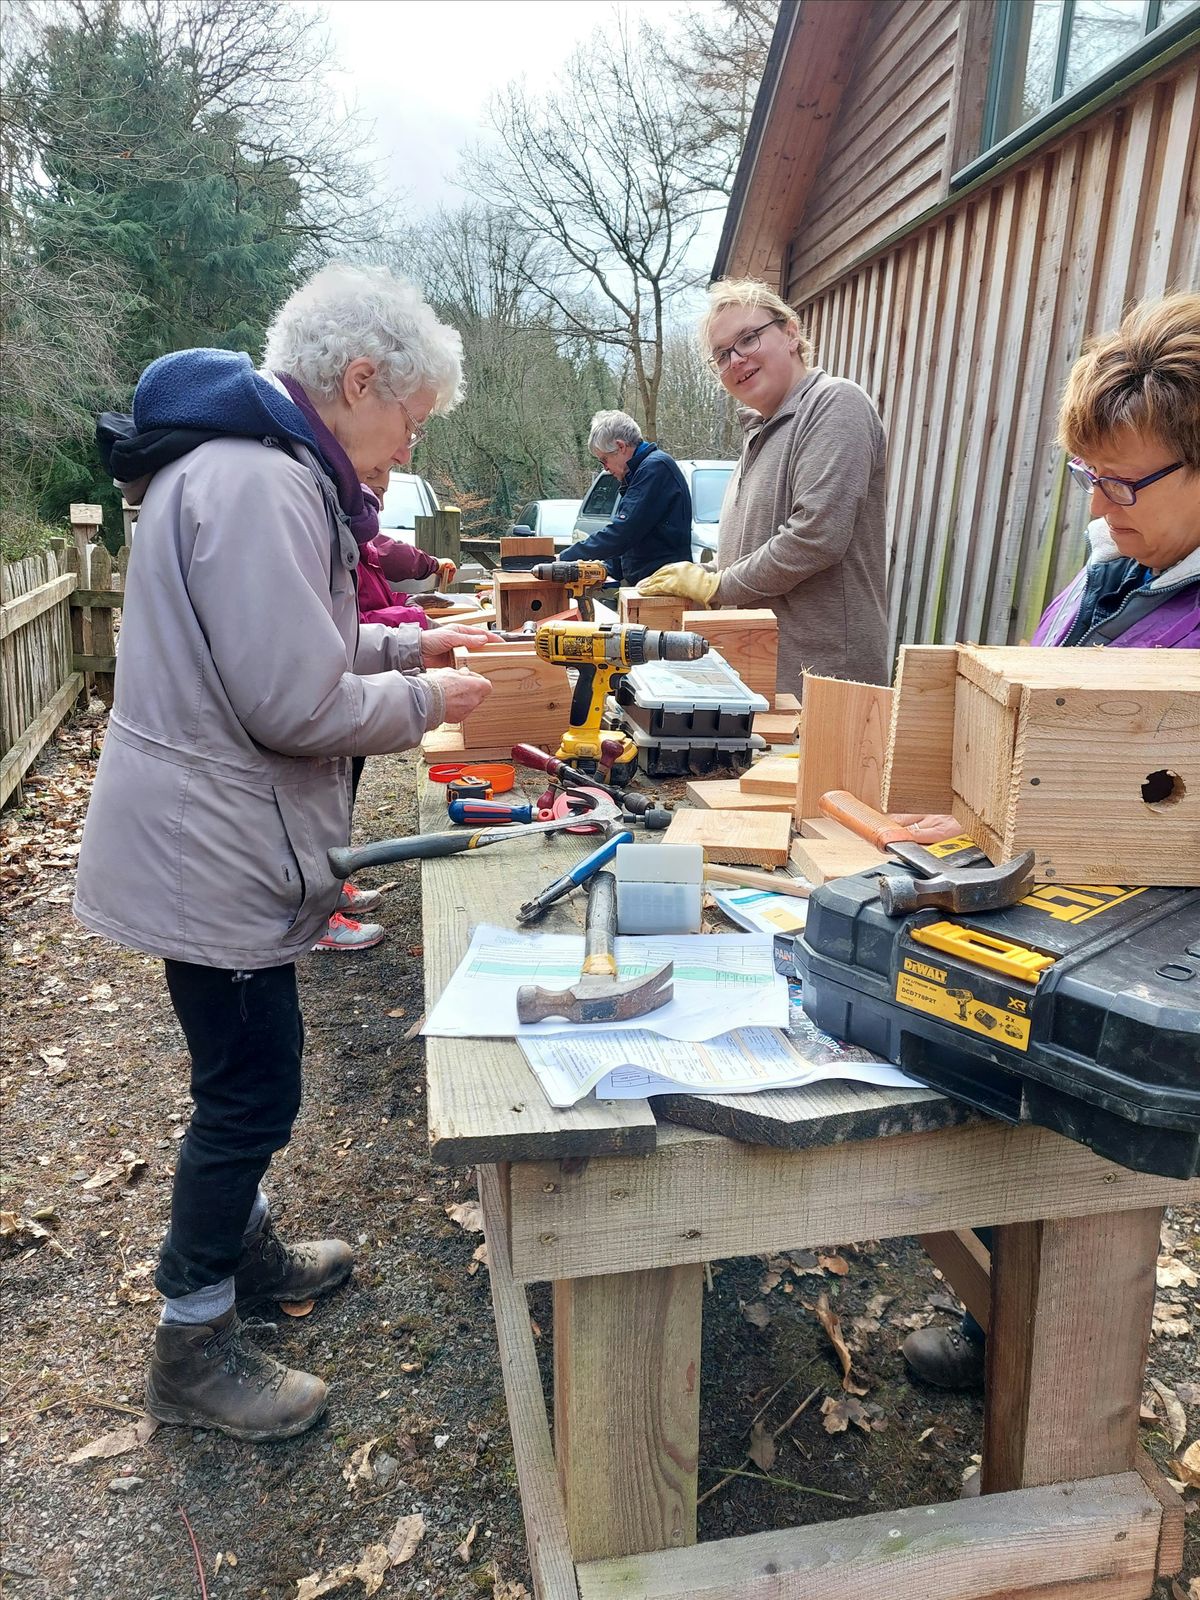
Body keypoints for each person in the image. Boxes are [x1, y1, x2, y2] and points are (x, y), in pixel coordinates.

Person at [74, 263, 493, 1441]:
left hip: (214, 833)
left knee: (245, 1075)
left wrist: (408, 650)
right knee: (250, 1092)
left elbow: (295, 642)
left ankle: (245, 1253)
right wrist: (432, 700)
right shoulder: (261, 481)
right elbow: (293, 702)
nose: (407, 447)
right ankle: (193, 1340)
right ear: (359, 380)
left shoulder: (254, 467)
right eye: (409, 418)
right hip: (212, 848)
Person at [902, 291, 1200, 1393]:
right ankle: (998, 1308)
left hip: (1138, 948)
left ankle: (1057, 1376)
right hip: (1043, 905)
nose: (1102, 505)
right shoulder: (1113, 565)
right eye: (1089, 476)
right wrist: (978, 809)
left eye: (1126, 483)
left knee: (1085, 1156)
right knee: (1005, 1118)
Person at [639, 279, 890, 694]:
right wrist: (707, 574)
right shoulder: (761, 432)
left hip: (827, 684)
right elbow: (752, 554)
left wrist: (718, 586)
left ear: (790, 333)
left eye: (747, 339)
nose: (736, 360)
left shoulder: (834, 403)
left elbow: (816, 536)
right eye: (721, 354)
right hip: (766, 670)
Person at [320, 463, 459, 949]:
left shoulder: (360, 539)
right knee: (324, 791)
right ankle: (317, 911)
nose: (376, 503)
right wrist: (411, 619)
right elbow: (354, 622)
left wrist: (420, 582)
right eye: (371, 492)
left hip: (351, 681)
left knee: (342, 787)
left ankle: (329, 886)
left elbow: (388, 567)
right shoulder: (331, 538)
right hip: (334, 687)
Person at [558, 410, 692, 585]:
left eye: (604, 459)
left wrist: (564, 558)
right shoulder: (641, 471)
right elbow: (637, 537)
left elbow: (623, 533)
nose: (605, 468)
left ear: (621, 446)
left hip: (664, 582)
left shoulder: (654, 468)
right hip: (652, 580)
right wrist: (606, 569)